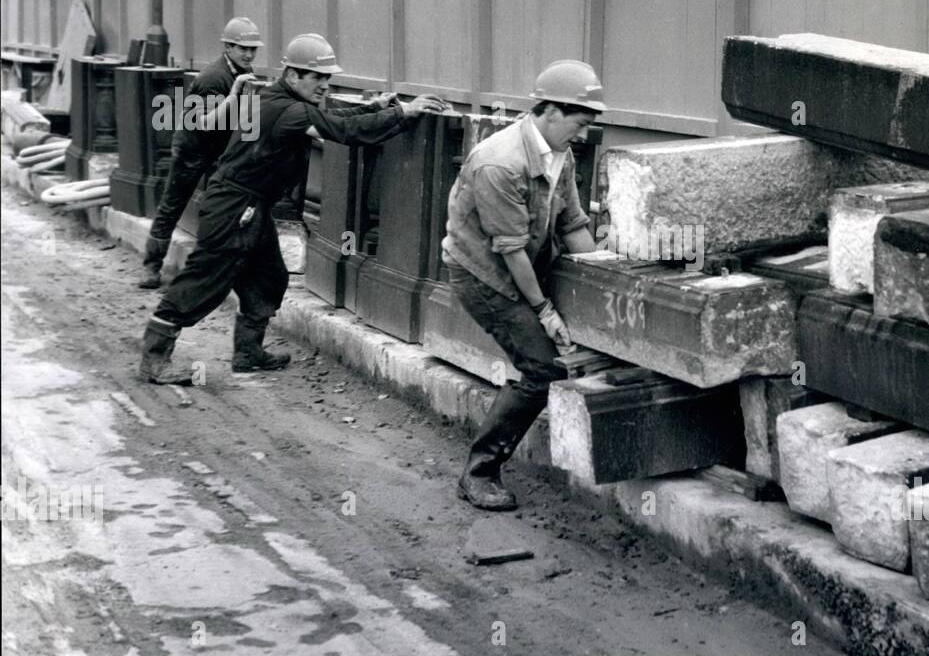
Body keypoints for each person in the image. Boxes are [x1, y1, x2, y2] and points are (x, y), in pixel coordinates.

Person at [139, 33, 443, 385]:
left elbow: (328, 117)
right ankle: (155, 357)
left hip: (248, 204)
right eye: (318, 77)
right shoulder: (288, 109)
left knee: (268, 277)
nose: (325, 85)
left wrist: (377, 109)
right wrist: (403, 113)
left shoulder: (277, 98)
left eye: (328, 78)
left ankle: (248, 352)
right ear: (293, 75)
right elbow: (341, 129)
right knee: (204, 281)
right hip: (234, 209)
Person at [442, 59, 604, 510]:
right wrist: (544, 311)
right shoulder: (500, 163)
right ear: (550, 110)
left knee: (554, 359)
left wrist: (606, 278)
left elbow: (571, 223)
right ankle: (479, 473)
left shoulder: (560, 152)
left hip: (522, 266)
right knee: (544, 367)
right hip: (484, 276)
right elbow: (509, 250)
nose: (584, 134)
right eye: (580, 122)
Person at [138, 16, 264, 289]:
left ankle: (211, 270)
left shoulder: (241, 74)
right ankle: (151, 266)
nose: (250, 54)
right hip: (192, 151)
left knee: (219, 207)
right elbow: (205, 122)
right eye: (244, 48)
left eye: (253, 49)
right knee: (173, 204)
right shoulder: (213, 78)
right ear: (228, 47)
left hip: (216, 151)